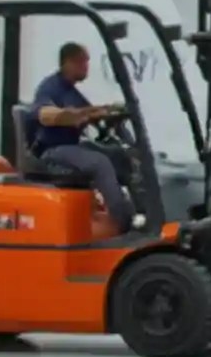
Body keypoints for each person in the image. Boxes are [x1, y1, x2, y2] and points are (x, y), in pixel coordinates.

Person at [31, 41, 137, 233]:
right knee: (100, 163)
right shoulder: (50, 87)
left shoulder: (71, 91)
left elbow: (89, 111)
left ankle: (136, 211)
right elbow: (44, 114)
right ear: (68, 63)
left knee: (118, 154)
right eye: (82, 62)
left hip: (71, 147)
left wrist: (108, 111)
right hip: (52, 150)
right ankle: (122, 222)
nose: (86, 67)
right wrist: (73, 116)